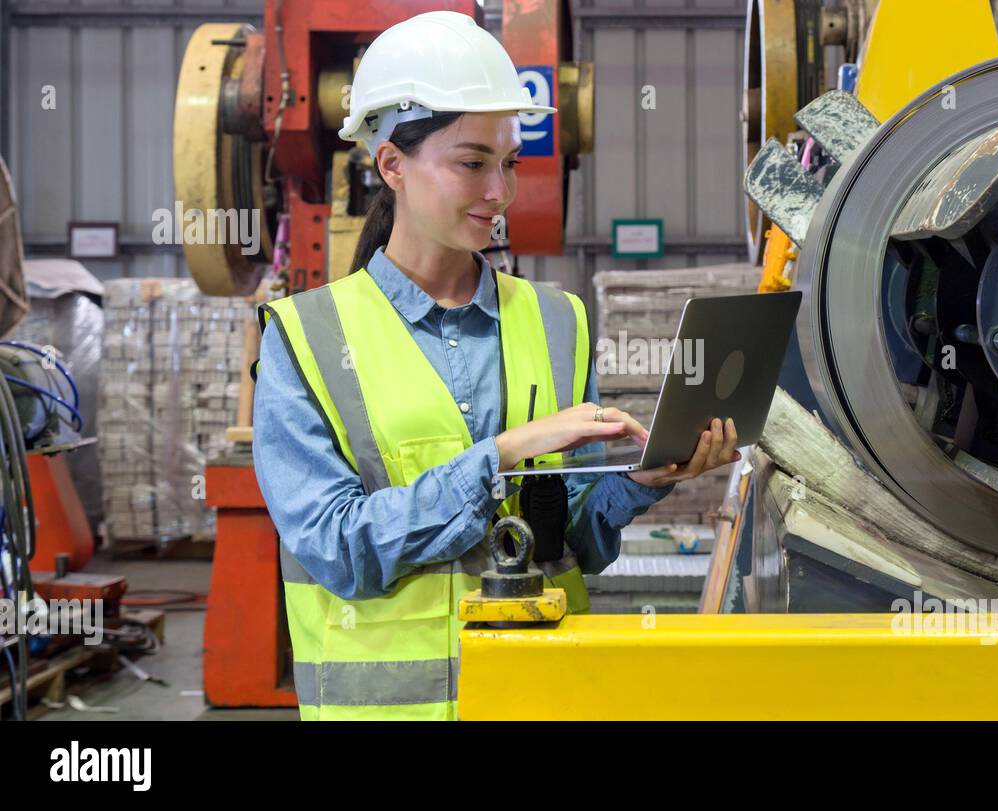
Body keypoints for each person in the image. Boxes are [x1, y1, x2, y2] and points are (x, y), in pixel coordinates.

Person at [251, 11, 738, 721]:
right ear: (392, 164)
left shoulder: (555, 319)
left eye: (508, 161)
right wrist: (502, 455)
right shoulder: (305, 337)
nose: (500, 191)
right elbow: (337, 547)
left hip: (539, 702)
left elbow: (566, 538)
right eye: (471, 163)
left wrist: (638, 481)